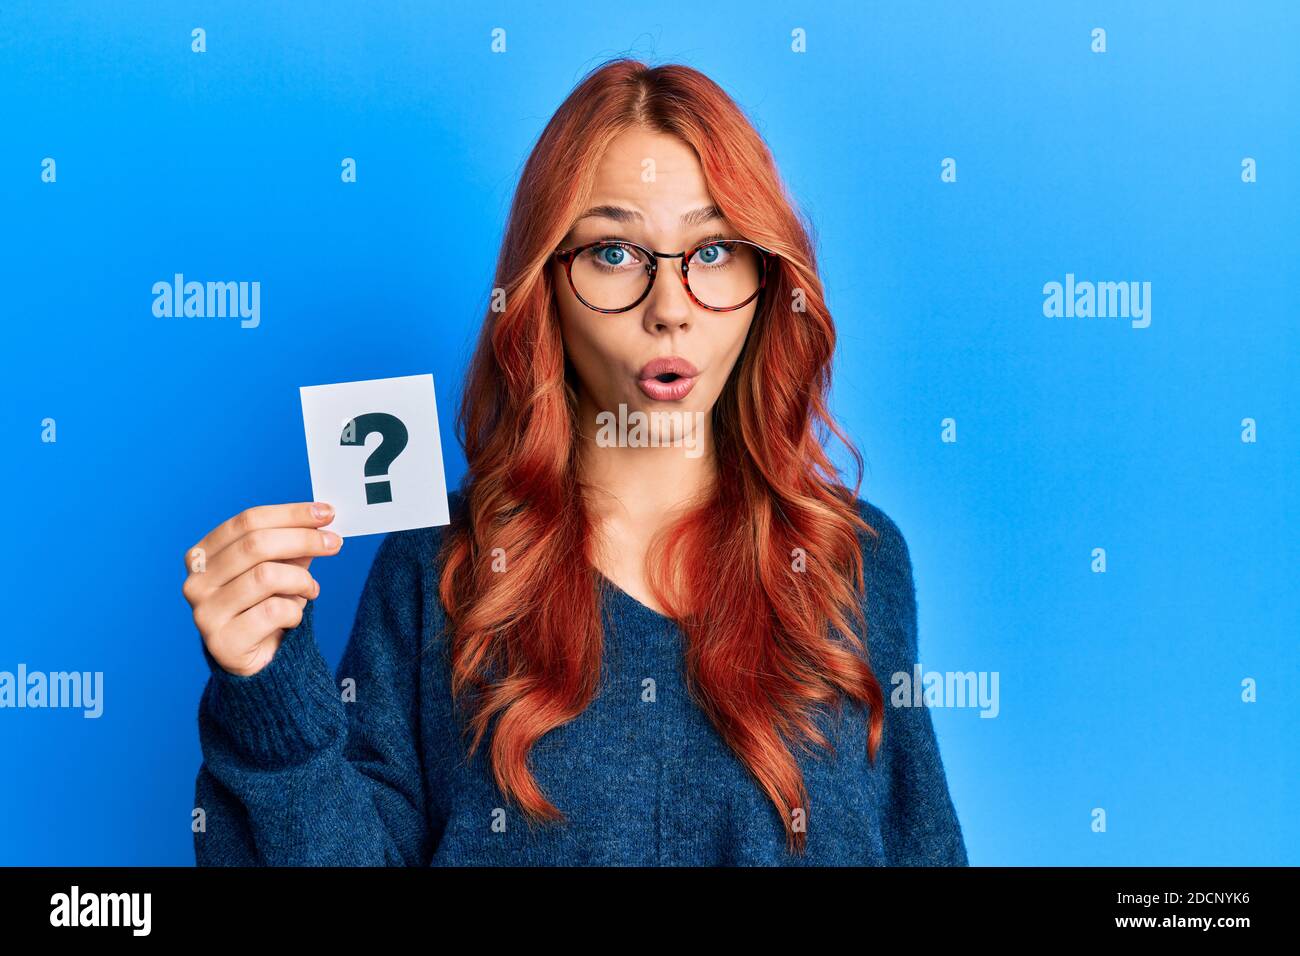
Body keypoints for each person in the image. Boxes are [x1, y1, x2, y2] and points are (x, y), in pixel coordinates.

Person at [184, 57, 969, 866]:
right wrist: (268, 684)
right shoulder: (435, 576)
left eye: (713, 251)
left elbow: (923, 846)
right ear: (542, 287)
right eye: (615, 254)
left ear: (768, 280)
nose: (670, 310)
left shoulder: (854, 562)